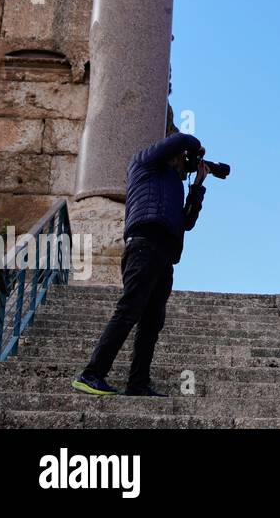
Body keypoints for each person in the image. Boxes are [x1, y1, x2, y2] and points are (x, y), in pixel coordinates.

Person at [71, 132, 211, 397]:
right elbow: (181, 139)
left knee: (152, 322)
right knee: (129, 310)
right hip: (143, 244)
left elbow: (187, 222)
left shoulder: (174, 184)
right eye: (181, 158)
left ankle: (138, 383)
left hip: (165, 254)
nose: (183, 162)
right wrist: (197, 149)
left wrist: (197, 186)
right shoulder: (144, 163)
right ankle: (91, 374)